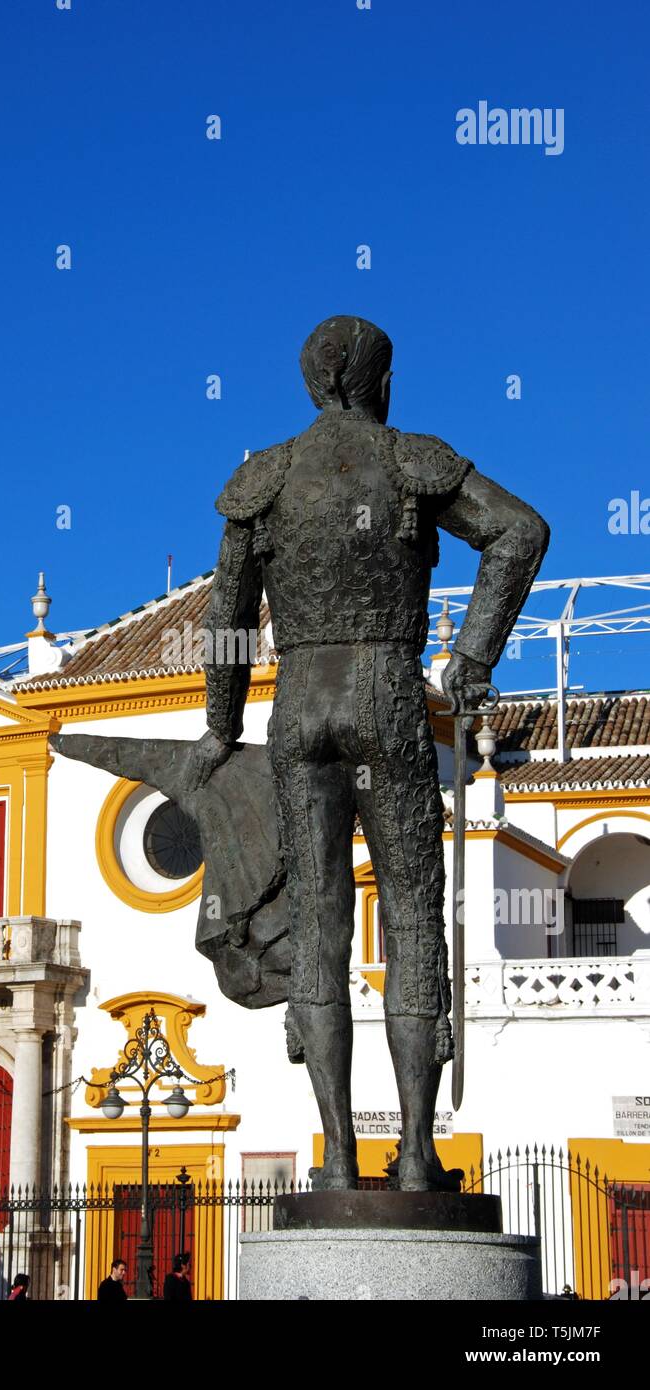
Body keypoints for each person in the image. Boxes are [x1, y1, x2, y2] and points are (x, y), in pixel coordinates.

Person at [190, 314, 549, 1193]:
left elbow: (230, 619)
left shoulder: (261, 479)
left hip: (299, 709)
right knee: (413, 915)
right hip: (386, 697)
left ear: (313, 383)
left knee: (319, 923)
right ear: (377, 381)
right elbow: (522, 533)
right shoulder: (411, 460)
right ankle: (420, 1155)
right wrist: (471, 656)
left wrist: (221, 723)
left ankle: (339, 1158)